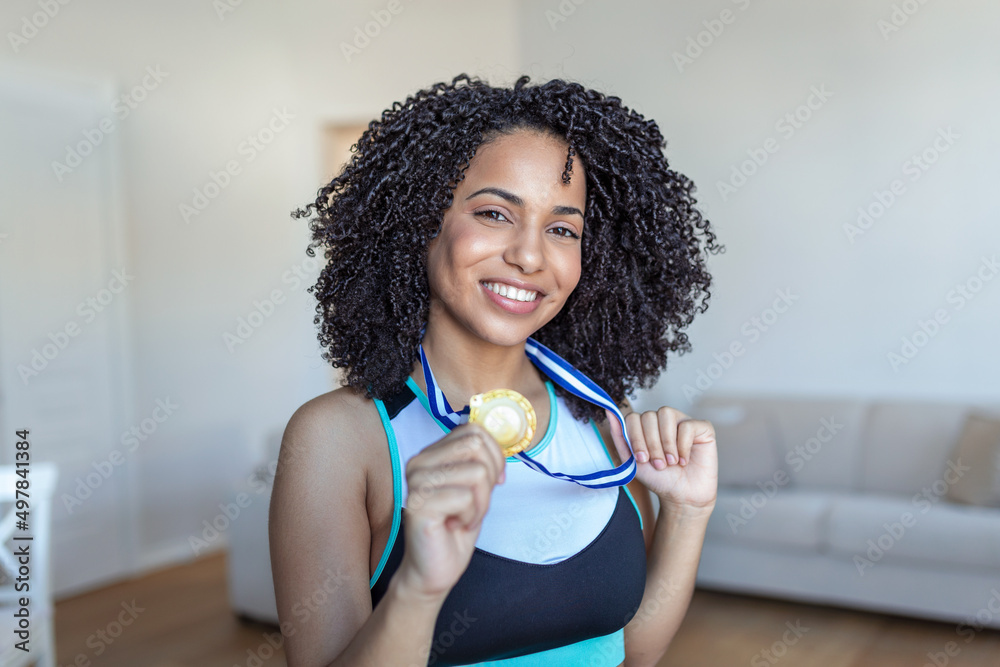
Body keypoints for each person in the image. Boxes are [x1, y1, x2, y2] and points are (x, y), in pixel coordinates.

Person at [269, 73, 723, 667]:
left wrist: (688, 513)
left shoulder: (602, 418)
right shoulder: (338, 438)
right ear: (420, 222)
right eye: (493, 214)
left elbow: (628, 651)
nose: (529, 256)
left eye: (561, 229)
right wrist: (419, 588)